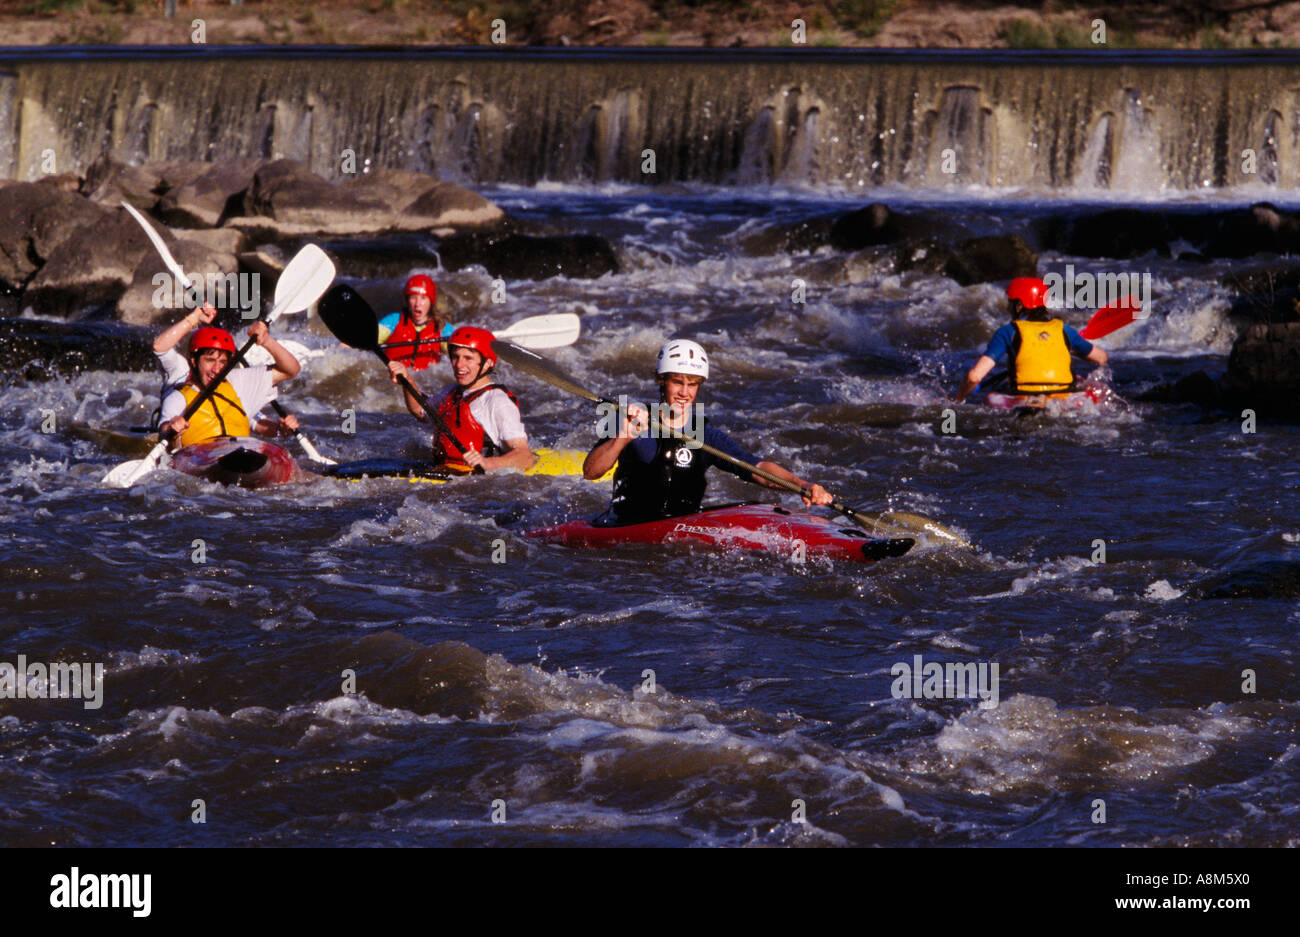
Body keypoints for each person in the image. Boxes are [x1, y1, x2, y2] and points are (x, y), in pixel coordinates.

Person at [582, 339, 833, 524]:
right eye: (677, 382)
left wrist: (802, 484)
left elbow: (756, 469)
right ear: (661, 381)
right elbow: (591, 471)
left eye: (692, 385)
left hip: (679, 528)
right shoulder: (636, 422)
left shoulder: (704, 434)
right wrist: (621, 440)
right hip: (626, 526)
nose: (684, 393)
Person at [388, 325, 533, 474]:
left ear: (487, 363)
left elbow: (525, 457)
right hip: (447, 471)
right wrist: (406, 381)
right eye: (456, 357)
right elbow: (420, 411)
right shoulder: (452, 392)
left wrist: (487, 463)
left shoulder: (497, 401)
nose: (459, 365)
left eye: (468, 358)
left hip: (479, 481)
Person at [154, 305, 301, 449]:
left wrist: (266, 340)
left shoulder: (236, 384)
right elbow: (159, 348)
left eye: (223, 362)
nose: (217, 369)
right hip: (202, 456)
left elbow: (290, 370)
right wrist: (195, 317)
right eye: (210, 360)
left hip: (239, 454)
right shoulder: (178, 393)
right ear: (194, 361)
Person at [954, 276, 1109, 403]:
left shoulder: (1008, 332)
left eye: (1011, 302)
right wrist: (1073, 349)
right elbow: (1101, 358)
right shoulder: (1065, 331)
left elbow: (974, 376)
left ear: (1020, 305)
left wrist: (958, 398)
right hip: (1064, 396)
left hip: (1021, 396)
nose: (1008, 307)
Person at [379, 274, 446, 374]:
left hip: (427, 382)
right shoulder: (392, 321)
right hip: (395, 378)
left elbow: (459, 353)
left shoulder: (442, 328)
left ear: (431, 302)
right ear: (407, 300)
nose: (417, 304)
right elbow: (365, 340)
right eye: (413, 297)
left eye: (423, 298)